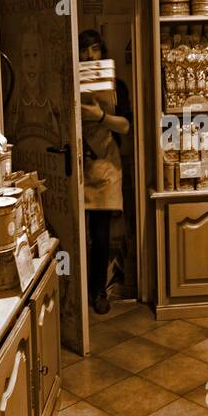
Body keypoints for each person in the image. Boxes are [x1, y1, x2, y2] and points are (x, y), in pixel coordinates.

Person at [79, 29, 131, 315]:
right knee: (75, 235)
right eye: (85, 50)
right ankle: (74, 291)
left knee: (99, 237)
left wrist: (99, 116)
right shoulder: (67, 85)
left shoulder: (116, 86)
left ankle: (98, 290)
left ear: (103, 53)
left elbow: (126, 126)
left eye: (95, 49)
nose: (89, 56)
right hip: (75, 166)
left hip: (104, 168)